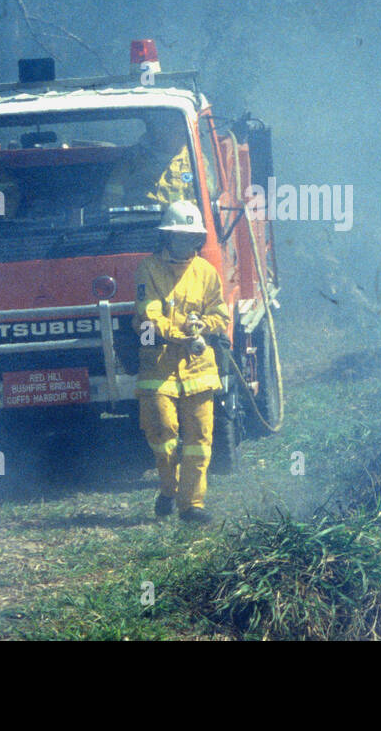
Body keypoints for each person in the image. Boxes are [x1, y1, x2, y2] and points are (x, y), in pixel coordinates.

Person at [132, 200, 231, 523]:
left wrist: (204, 326)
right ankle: (169, 488)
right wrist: (178, 334)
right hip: (158, 367)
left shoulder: (206, 272)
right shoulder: (148, 268)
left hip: (199, 369)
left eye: (191, 237)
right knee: (164, 433)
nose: (185, 242)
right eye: (179, 235)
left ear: (198, 239)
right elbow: (147, 315)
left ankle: (192, 506)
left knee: (199, 441)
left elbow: (220, 313)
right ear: (167, 237)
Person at [102, 110, 193, 208]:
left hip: (182, 220)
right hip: (141, 220)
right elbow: (112, 197)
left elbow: (207, 196)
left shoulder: (195, 158)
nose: (182, 136)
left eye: (182, 132)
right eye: (175, 131)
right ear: (159, 130)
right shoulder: (132, 157)